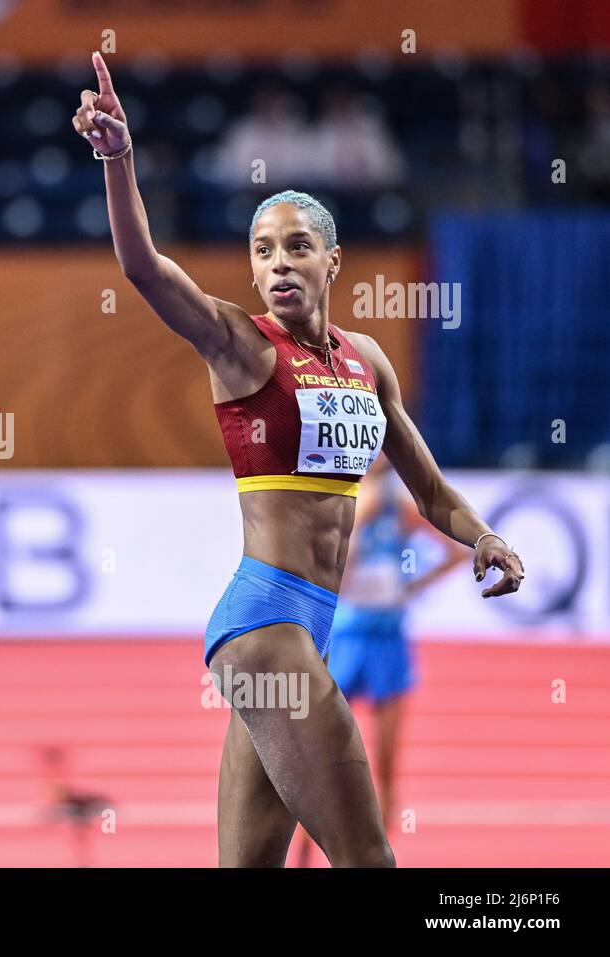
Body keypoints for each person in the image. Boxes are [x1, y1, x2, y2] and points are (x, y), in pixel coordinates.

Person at [72, 51, 525, 867]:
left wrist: (482, 534)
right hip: (263, 625)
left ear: (332, 261)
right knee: (370, 857)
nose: (277, 262)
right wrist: (119, 159)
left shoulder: (367, 362)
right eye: (262, 250)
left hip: (306, 633)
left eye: (297, 246)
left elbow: (429, 487)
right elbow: (143, 267)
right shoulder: (242, 346)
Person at [290, 455, 468, 867]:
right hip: (347, 638)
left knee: (385, 763)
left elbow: (455, 554)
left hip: (387, 638)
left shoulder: (396, 507)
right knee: (320, 756)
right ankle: (301, 856)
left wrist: (412, 586)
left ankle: (378, 858)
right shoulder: (341, 506)